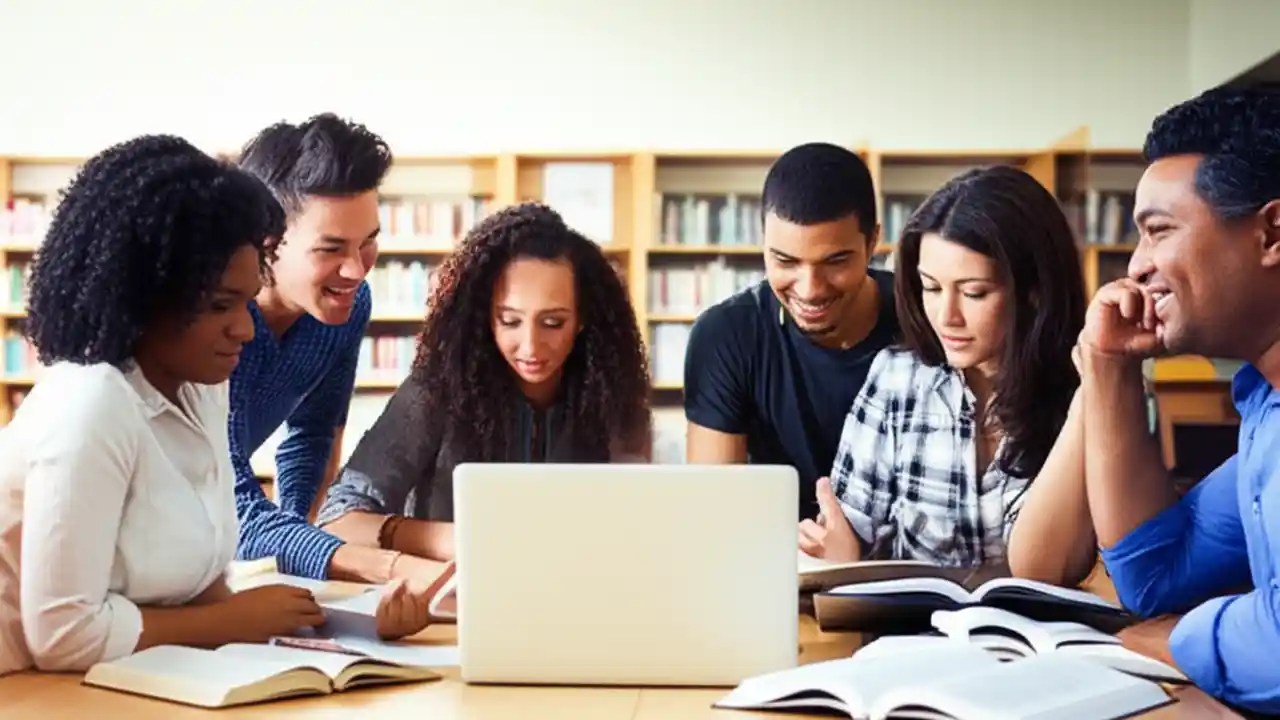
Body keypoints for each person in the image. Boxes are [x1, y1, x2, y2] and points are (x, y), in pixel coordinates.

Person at [0, 135, 326, 676]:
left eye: (247, 301)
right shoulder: (90, 402)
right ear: (142, 294)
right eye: (220, 305)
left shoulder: (202, 384)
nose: (245, 329)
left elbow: (196, 584)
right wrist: (232, 620)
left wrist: (330, 621)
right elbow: (62, 635)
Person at [1078, 87, 1280, 715]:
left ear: (1272, 233)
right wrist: (1111, 369)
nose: (1136, 266)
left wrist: (1178, 639)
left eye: (1158, 232)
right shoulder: (1267, 411)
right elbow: (1154, 571)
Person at [798, 166, 1093, 577]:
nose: (946, 316)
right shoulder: (898, 379)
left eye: (974, 292)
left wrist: (1092, 396)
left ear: (1034, 291)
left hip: (1045, 637)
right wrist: (842, 555)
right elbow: (847, 539)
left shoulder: (1091, 389)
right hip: (916, 636)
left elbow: (1068, 567)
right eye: (931, 288)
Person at [315, 203, 652, 561]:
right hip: (450, 601)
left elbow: (637, 523)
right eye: (509, 321)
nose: (531, 346)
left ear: (583, 319)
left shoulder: (612, 395)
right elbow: (337, 520)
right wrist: (450, 541)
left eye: (553, 323)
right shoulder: (437, 390)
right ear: (484, 317)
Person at [229, 112, 421, 586]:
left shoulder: (348, 307)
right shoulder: (215, 319)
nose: (356, 270)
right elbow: (224, 504)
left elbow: (315, 433)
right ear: (268, 243)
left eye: (369, 243)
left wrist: (297, 537)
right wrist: (389, 567)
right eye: (331, 248)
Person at [684, 142, 898, 519]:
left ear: (872, 242)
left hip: (901, 560)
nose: (810, 288)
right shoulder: (727, 335)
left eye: (835, 261)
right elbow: (712, 512)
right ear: (763, 241)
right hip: (776, 558)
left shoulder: (925, 318)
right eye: (785, 261)